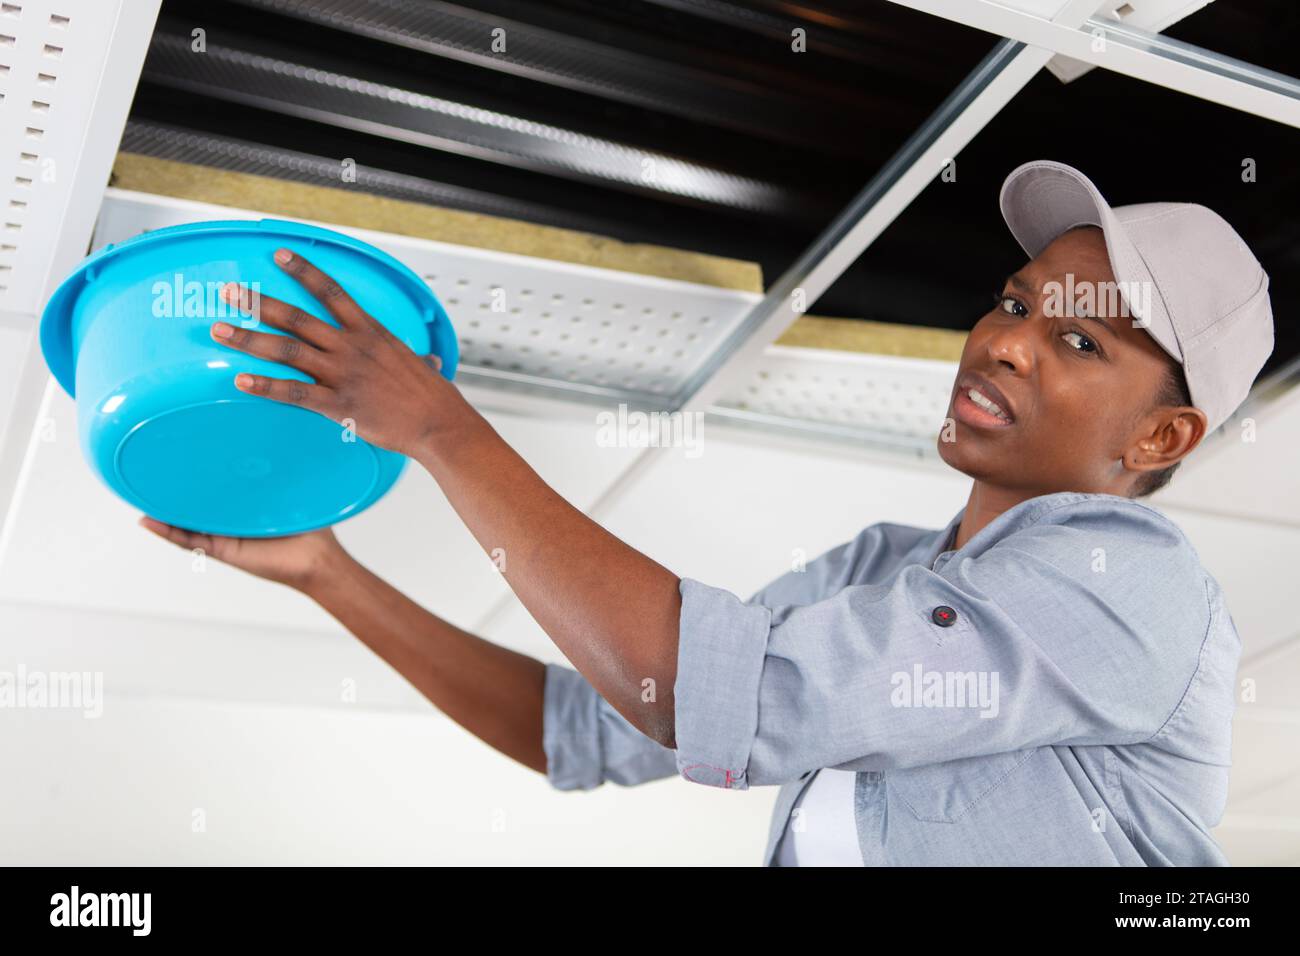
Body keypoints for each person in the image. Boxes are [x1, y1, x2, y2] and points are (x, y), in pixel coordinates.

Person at [140, 159, 1273, 865]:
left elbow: (722, 696)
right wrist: (323, 570)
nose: (1008, 337)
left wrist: (446, 430)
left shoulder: (1137, 584)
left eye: (1079, 339)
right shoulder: (876, 575)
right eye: (1014, 299)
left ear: (1161, 437)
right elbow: (584, 726)